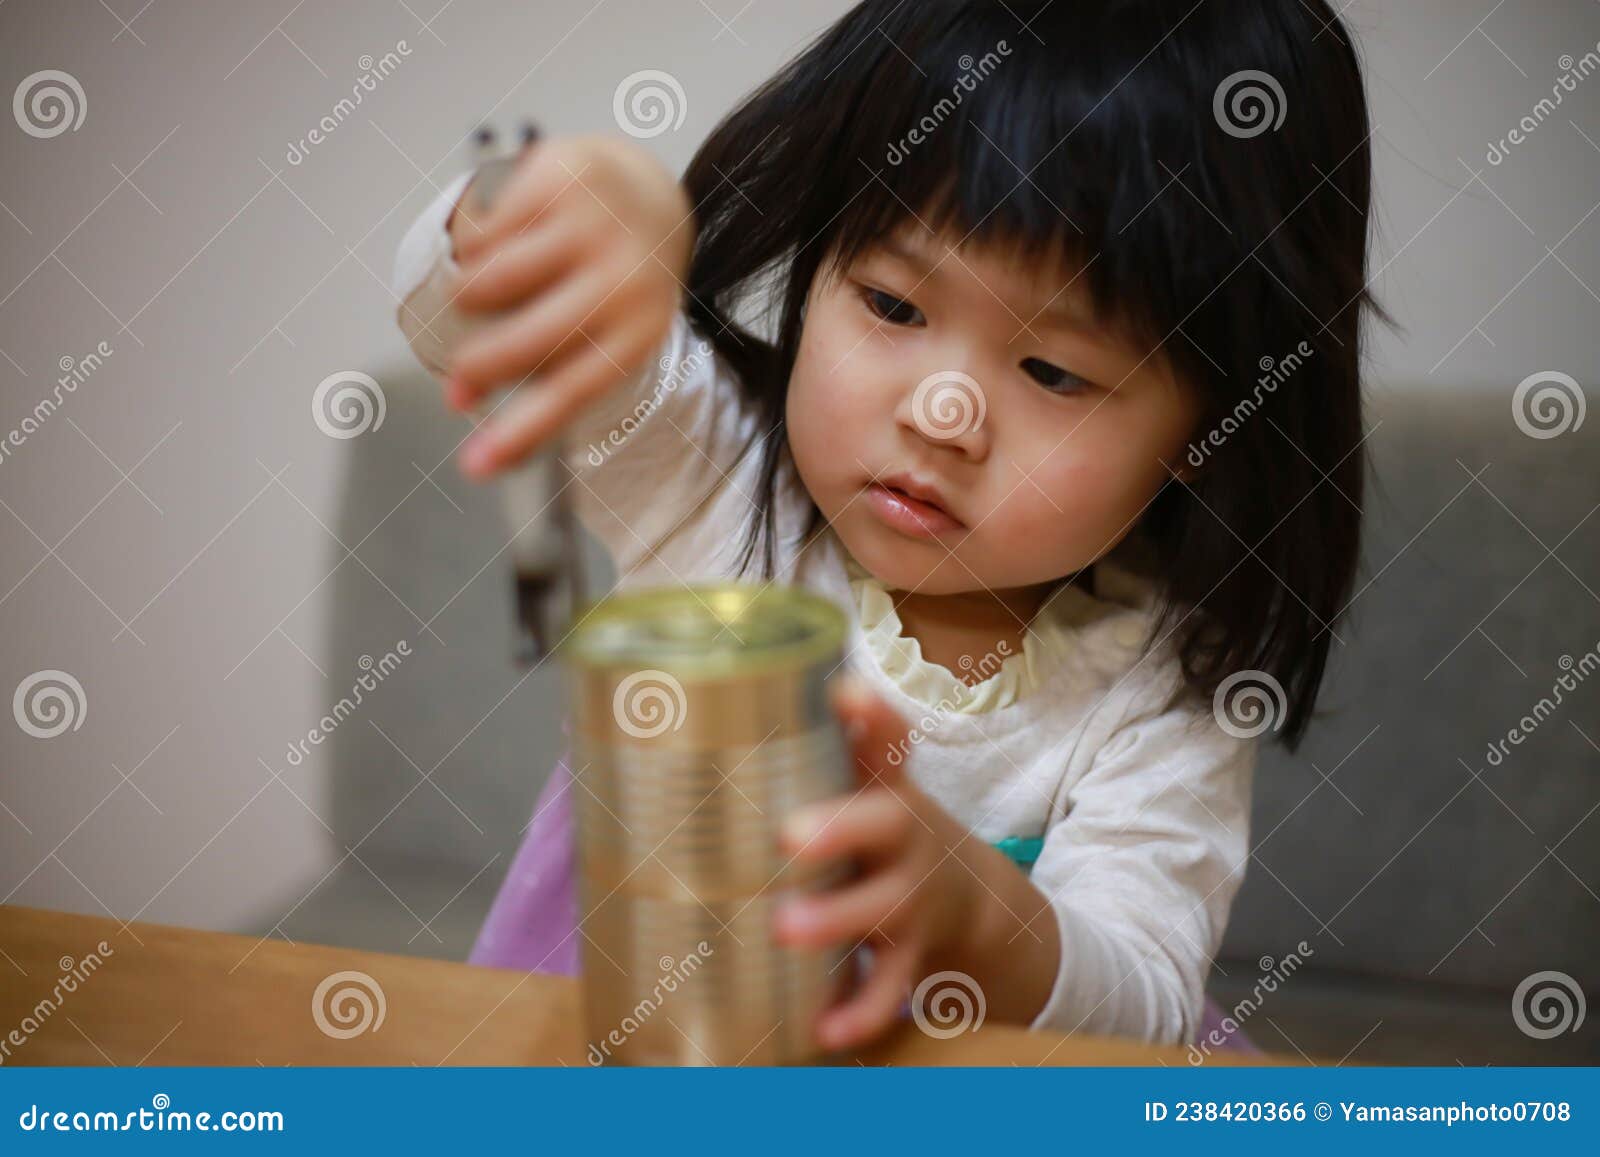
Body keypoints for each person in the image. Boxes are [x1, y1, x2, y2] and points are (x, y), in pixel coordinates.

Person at [391, 0, 1380, 1050]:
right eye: (893, 306)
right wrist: (576, 212)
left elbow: (1142, 1006)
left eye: (1052, 370)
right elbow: (472, 323)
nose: (940, 414)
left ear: (1208, 429)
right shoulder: (714, 473)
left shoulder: (1162, 677)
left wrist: (970, 911)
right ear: (817, 267)